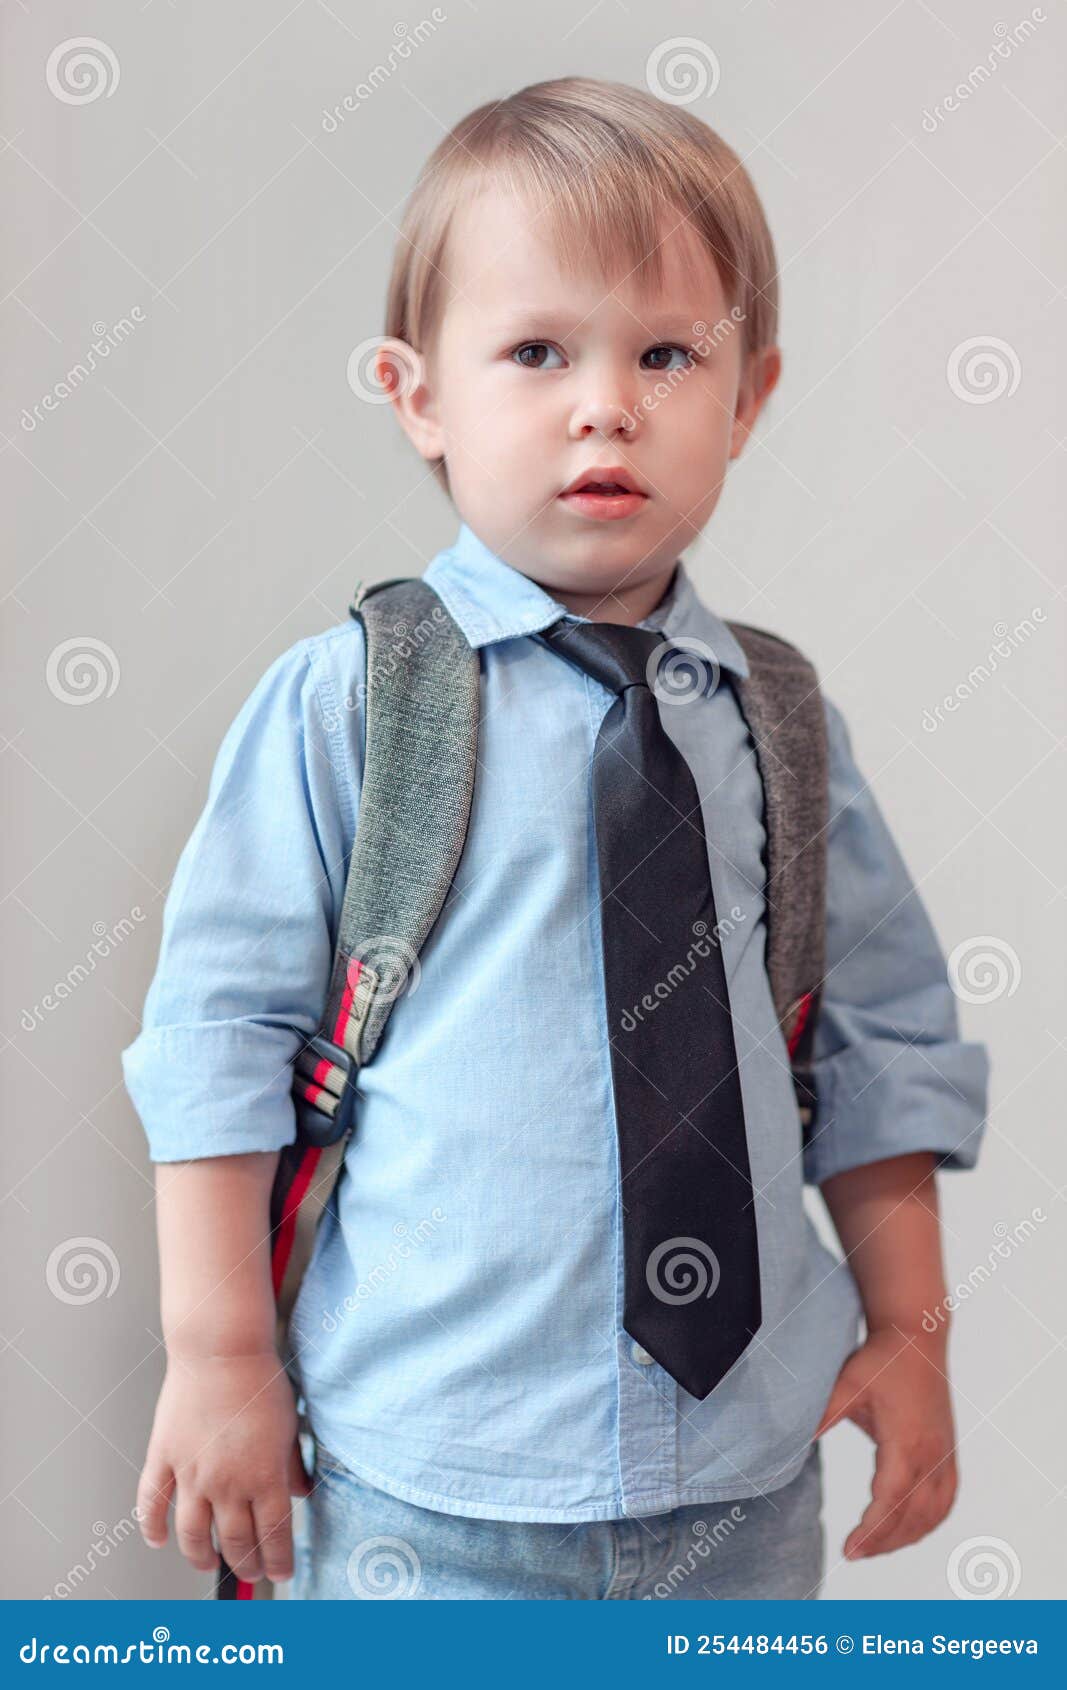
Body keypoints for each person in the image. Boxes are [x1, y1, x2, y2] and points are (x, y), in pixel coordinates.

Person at [124, 76, 989, 1601]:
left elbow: (879, 1046)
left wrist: (910, 1334)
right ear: (418, 395)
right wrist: (218, 1357)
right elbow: (218, 1039)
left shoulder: (777, 719)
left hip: (742, 1478)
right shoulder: (352, 704)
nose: (607, 403)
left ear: (751, 397)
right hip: (422, 1477)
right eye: (536, 351)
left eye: (667, 354)